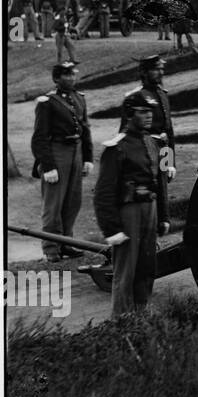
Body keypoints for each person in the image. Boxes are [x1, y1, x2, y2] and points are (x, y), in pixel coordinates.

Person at [95, 90, 170, 317]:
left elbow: (160, 183)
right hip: (129, 212)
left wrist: (163, 216)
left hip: (150, 209)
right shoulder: (116, 147)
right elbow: (103, 193)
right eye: (142, 112)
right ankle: (120, 320)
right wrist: (112, 229)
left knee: (147, 267)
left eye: (150, 111)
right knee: (125, 271)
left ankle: (140, 313)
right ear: (129, 114)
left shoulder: (154, 143)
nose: (148, 116)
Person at [30, 61, 93, 263]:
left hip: (75, 153)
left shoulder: (79, 98)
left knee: (72, 202)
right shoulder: (47, 102)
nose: (71, 77)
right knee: (53, 204)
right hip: (56, 152)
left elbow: (85, 129)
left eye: (73, 73)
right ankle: (50, 247)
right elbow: (39, 137)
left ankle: (66, 242)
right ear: (56, 79)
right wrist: (47, 166)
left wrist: (88, 157)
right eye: (66, 74)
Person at [119, 54, 177, 181]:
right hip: (144, 152)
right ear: (144, 72)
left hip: (163, 150)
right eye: (156, 69)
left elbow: (168, 130)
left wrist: (170, 163)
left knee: (163, 192)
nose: (160, 73)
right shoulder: (135, 97)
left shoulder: (163, 95)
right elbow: (124, 132)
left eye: (161, 69)